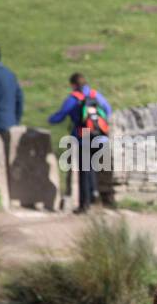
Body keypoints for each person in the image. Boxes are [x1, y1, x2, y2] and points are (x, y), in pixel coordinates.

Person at [48, 73, 113, 212]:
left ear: (73, 85)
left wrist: (49, 119)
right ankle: (94, 194)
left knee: (84, 170)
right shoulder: (96, 95)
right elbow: (108, 110)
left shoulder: (73, 99)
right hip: (100, 135)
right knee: (92, 167)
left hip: (84, 135)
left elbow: (60, 116)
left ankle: (85, 205)